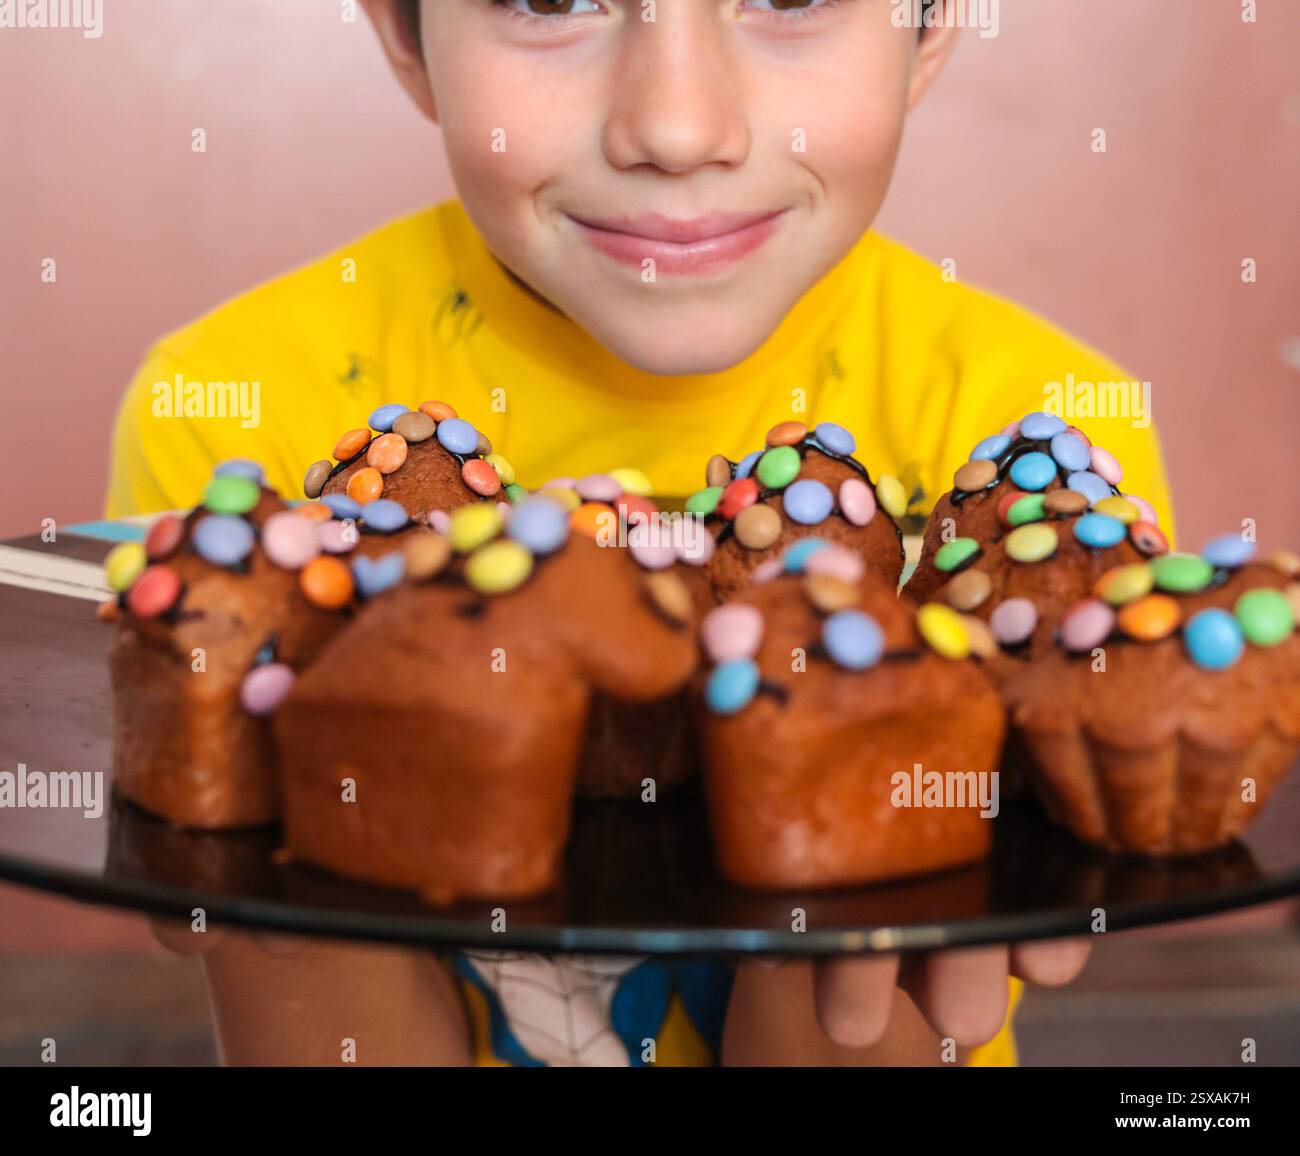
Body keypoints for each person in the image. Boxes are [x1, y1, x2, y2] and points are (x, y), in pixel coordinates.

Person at [114, 0, 1174, 1066]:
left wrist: (856, 840)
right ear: (403, 31)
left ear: (930, 25)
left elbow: (876, 1028)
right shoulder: (240, 423)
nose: (674, 126)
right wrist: (266, 874)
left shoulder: (1044, 460)